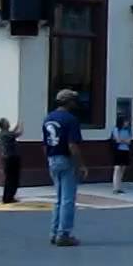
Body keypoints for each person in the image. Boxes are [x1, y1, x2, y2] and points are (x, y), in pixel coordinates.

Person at [44, 89, 87, 246]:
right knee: (68, 199)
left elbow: (45, 144)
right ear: (69, 102)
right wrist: (81, 165)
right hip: (66, 159)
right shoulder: (70, 119)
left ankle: (54, 231)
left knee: (58, 199)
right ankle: (64, 234)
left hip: (52, 158)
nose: (75, 104)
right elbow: (72, 145)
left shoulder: (48, 118)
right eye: (73, 101)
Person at [0, 117, 23, 204]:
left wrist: (17, 125)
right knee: (11, 178)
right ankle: (7, 198)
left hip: (10, 158)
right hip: (10, 158)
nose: (8, 123)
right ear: (4, 125)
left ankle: (9, 197)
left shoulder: (5, 133)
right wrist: (21, 126)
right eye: (7, 122)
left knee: (11, 178)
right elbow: (18, 133)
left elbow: (13, 132)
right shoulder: (5, 134)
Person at [109, 115, 132, 194]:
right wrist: (124, 140)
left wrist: (123, 140)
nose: (127, 123)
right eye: (126, 121)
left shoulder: (128, 130)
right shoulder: (116, 129)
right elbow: (117, 140)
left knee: (123, 169)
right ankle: (115, 188)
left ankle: (119, 187)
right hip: (118, 150)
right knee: (117, 168)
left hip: (126, 150)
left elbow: (129, 141)